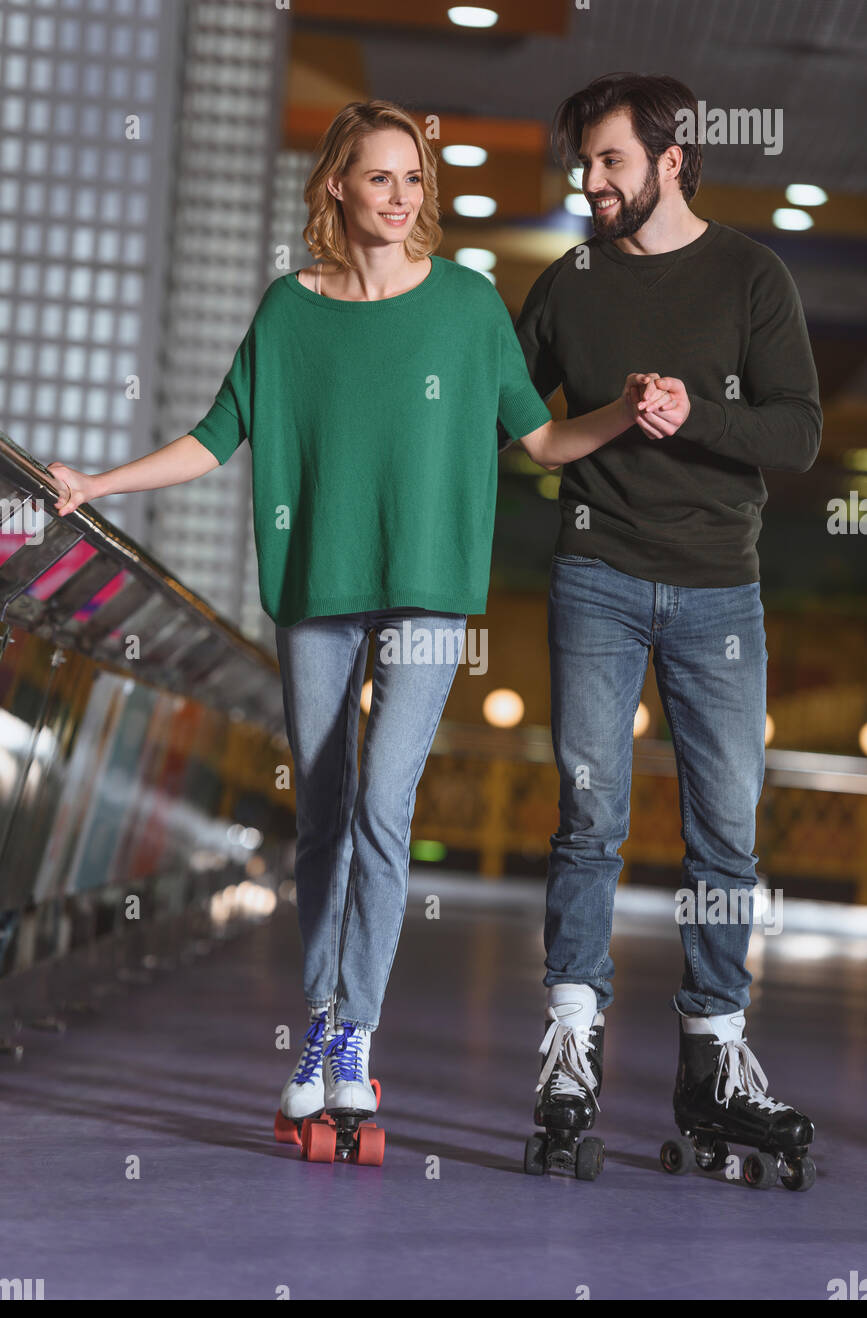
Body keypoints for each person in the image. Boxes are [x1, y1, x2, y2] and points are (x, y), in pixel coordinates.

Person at [48, 100, 669, 1161]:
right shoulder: (290, 312)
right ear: (337, 186)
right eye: (380, 178)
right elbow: (214, 437)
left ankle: (348, 1036)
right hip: (318, 585)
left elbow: (542, 438)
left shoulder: (470, 309)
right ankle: (321, 1026)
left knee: (387, 800)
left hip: (427, 591)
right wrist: (95, 482)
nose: (401, 197)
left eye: (414, 180)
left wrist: (623, 409)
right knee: (328, 808)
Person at [510, 73, 822, 1188]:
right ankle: (572, 1054)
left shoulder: (751, 274)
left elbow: (797, 433)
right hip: (594, 570)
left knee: (726, 833)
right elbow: (514, 420)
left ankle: (713, 1056)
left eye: (608, 162)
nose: (588, 182)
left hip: (718, 591)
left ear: (670, 157)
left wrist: (699, 414)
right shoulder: (570, 283)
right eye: (583, 164)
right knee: (589, 814)